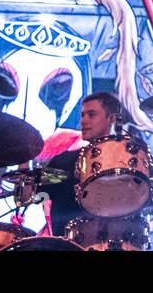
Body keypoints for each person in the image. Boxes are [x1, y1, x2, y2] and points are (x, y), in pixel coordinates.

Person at [37, 91, 123, 235]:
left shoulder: (128, 158)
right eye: (82, 115)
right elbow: (37, 191)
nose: (83, 121)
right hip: (68, 244)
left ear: (112, 119)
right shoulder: (62, 161)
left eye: (91, 114)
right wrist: (24, 160)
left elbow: (150, 192)